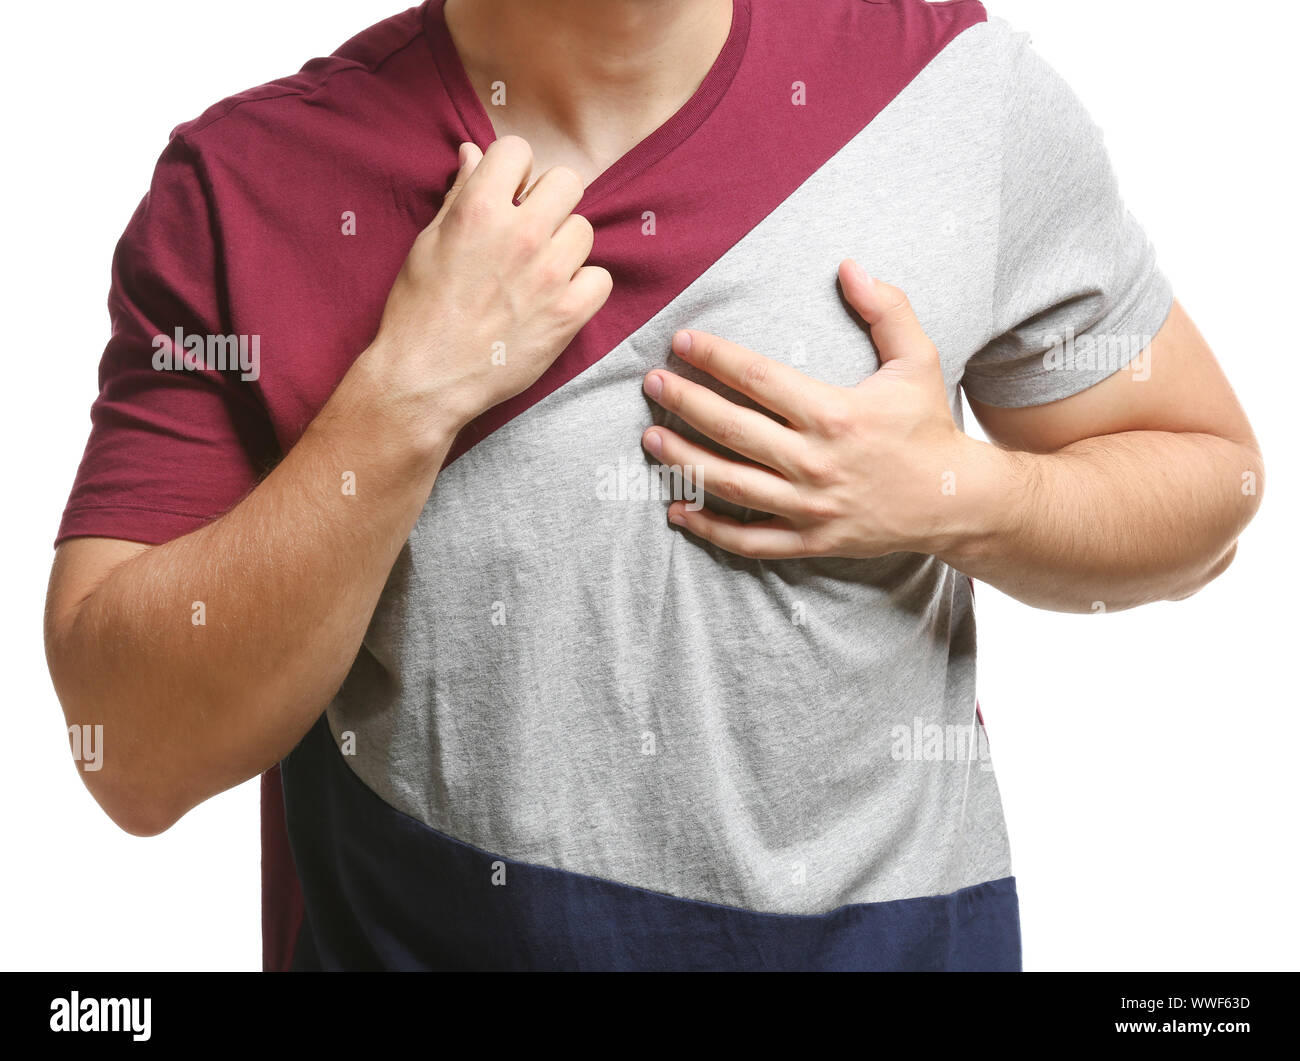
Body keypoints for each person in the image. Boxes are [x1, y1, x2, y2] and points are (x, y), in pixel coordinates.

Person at [46, 0, 1263, 971]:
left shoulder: (955, 91)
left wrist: (959, 494)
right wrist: (402, 397)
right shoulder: (244, 184)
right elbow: (134, 752)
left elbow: (1209, 480)